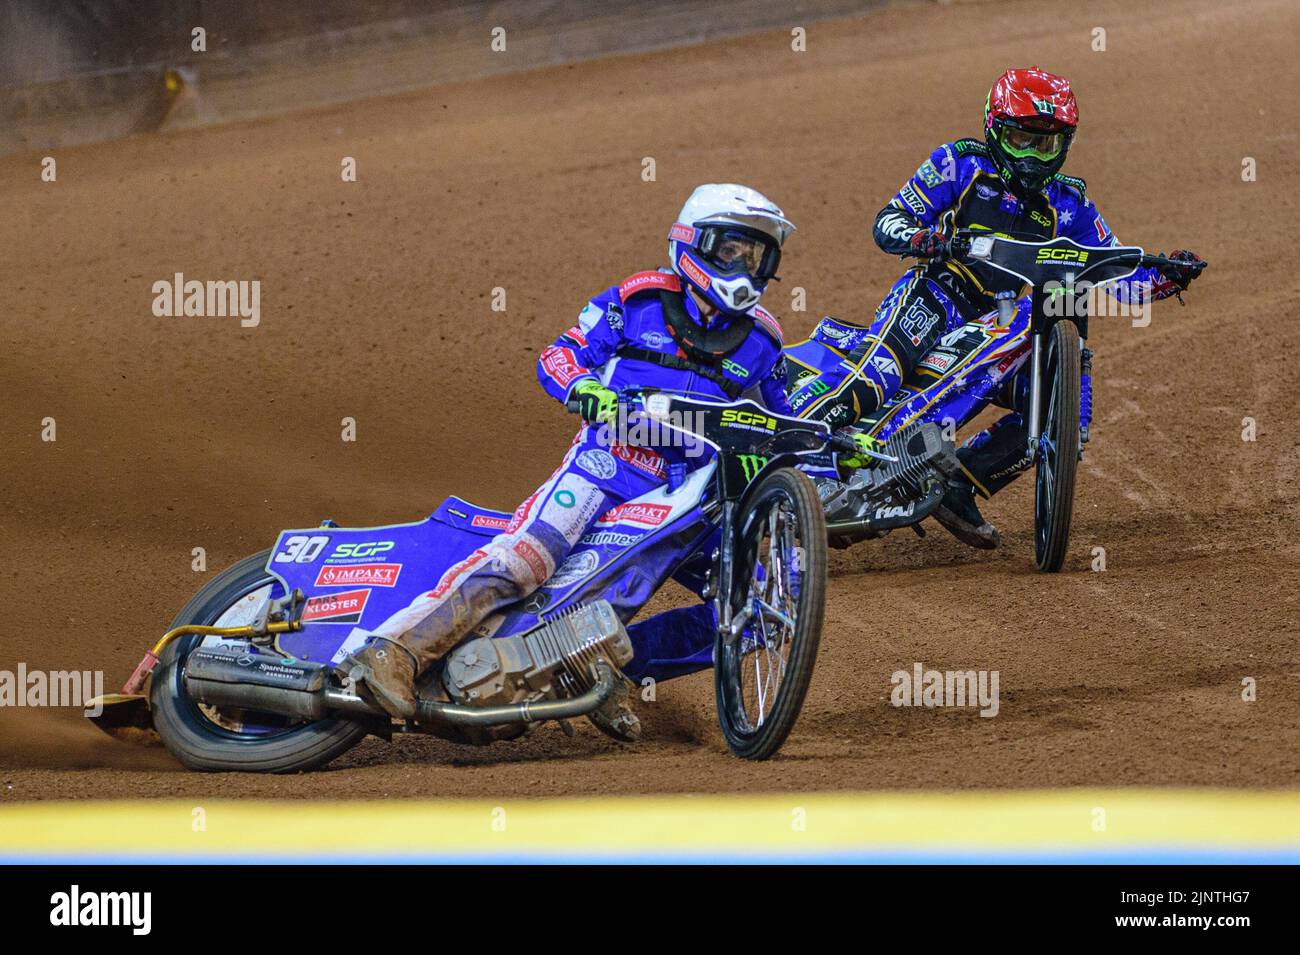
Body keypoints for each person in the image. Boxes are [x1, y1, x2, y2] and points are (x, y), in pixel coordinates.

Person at [341, 184, 869, 734]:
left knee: (759, 612)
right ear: (694, 242)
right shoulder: (636, 303)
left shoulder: (762, 342)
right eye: (733, 249)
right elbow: (560, 355)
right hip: (608, 465)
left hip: (689, 495)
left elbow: (784, 425)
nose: (744, 267)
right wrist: (586, 390)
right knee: (528, 559)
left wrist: (834, 459)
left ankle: (600, 667)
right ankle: (393, 651)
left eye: (758, 256)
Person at [787, 67, 1203, 548]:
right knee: (877, 376)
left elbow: (1119, 276)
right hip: (935, 295)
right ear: (994, 129)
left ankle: (959, 483)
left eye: (1045, 145)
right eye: (1022, 139)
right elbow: (889, 221)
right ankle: (798, 459)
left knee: (1059, 406)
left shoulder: (1070, 203)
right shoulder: (958, 163)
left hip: (1000, 321)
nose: (1032, 157)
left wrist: (1168, 274)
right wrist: (924, 239)